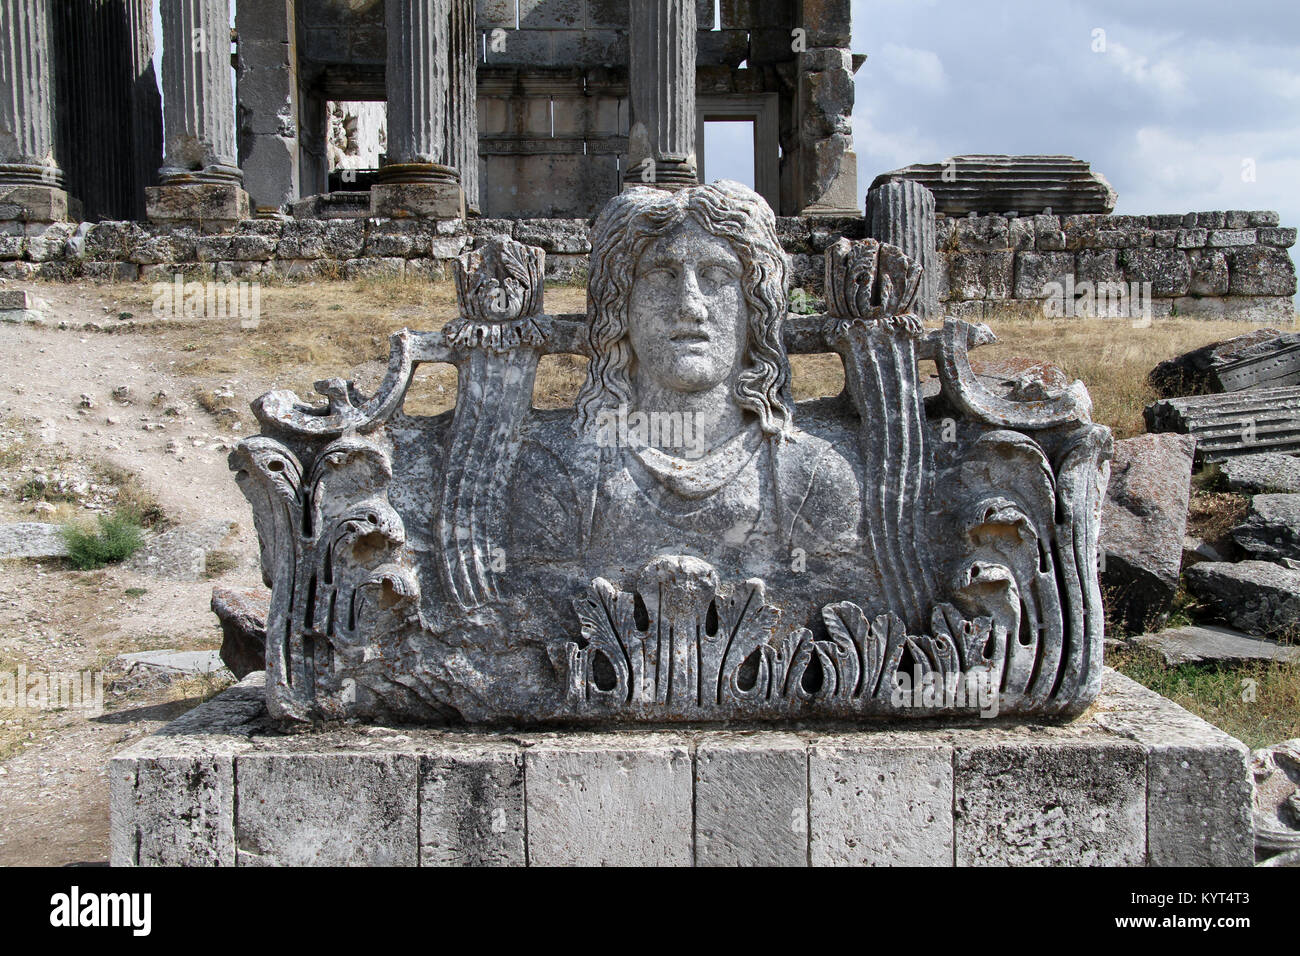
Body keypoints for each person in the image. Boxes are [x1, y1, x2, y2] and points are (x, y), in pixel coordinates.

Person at [511, 181, 861, 582]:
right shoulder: (563, 474)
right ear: (619, 304)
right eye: (661, 275)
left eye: (717, 275)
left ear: (756, 306)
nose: (690, 305)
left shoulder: (812, 476)